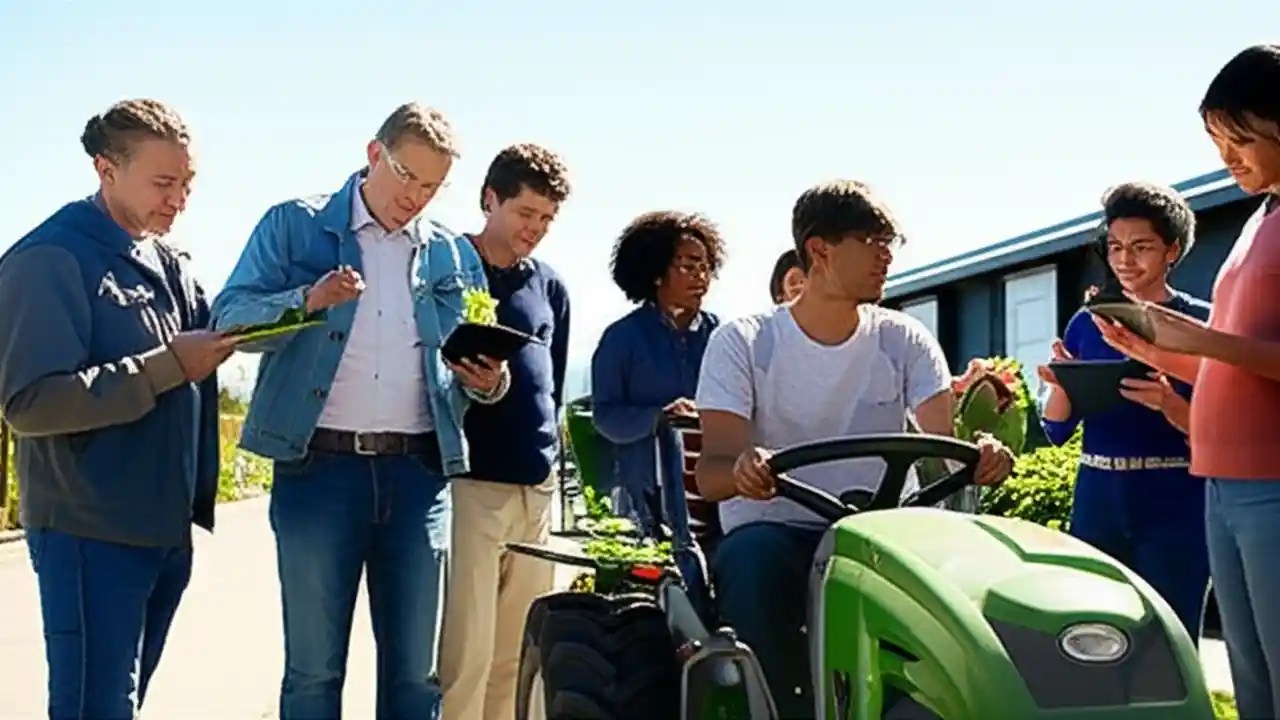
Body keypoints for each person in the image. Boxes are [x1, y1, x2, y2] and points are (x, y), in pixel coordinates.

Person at [210, 102, 509, 720]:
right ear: (374, 155)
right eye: (407, 176)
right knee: (315, 673)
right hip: (318, 472)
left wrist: (488, 381)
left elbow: (476, 368)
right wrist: (308, 301)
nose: (416, 197)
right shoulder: (294, 227)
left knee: (414, 678)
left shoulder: (453, 254)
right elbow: (229, 322)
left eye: (432, 186)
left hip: (420, 478)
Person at [694, 179, 1014, 719]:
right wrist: (746, 470)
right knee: (750, 562)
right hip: (780, 529)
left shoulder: (905, 340)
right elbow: (714, 473)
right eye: (872, 241)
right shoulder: (745, 342)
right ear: (819, 250)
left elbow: (944, 452)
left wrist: (980, 459)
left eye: (891, 242)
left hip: (888, 531)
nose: (886, 256)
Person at [0, 99, 231, 719]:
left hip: (160, 529)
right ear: (106, 169)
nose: (179, 199)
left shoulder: (171, 263)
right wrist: (166, 366)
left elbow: (206, 346)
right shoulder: (50, 258)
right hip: (88, 530)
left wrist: (299, 309)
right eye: (163, 183)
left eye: (187, 183)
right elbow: (29, 402)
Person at [1094, 44, 1280, 720]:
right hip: (1223, 485)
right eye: (1216, 139)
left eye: (1242, 138)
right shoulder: (1260, 220)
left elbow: (1228, 348)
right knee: (1251, 678)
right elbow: (1231, 367)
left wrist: (1195, 337)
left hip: (1272, 484)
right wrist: (1154, 347)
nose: (1227, 156)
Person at [1036, 182, 1210, 639]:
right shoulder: (1087, 321)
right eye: (1115, 247)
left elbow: (1226, 426)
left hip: (1176, 498)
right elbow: (1055, 429)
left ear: (1172, 250)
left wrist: (1170, 404)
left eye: (1141, 247)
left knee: (1171, 639)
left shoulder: (1200, 325)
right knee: (1093, 636)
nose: (1125, 260)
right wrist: (1063, 383)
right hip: (1097, 497)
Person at [439, 143, 572, 720]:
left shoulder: (551, 287)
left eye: (546, 219)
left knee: (517, 654)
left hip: (534, 490)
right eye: (526, 214)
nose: (536, 230)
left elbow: (555, 384)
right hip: (469, 485)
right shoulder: (443, 271)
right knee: (463, 654)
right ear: (489, 199)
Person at [590, 210, 726, 609]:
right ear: (655, 273)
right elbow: (606, 416)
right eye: (687, 265)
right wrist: (658, 417)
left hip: (713, 498)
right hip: (645, 495)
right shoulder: (621, 339)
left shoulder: (723, 335)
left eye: (705, 266)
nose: (700, 276)